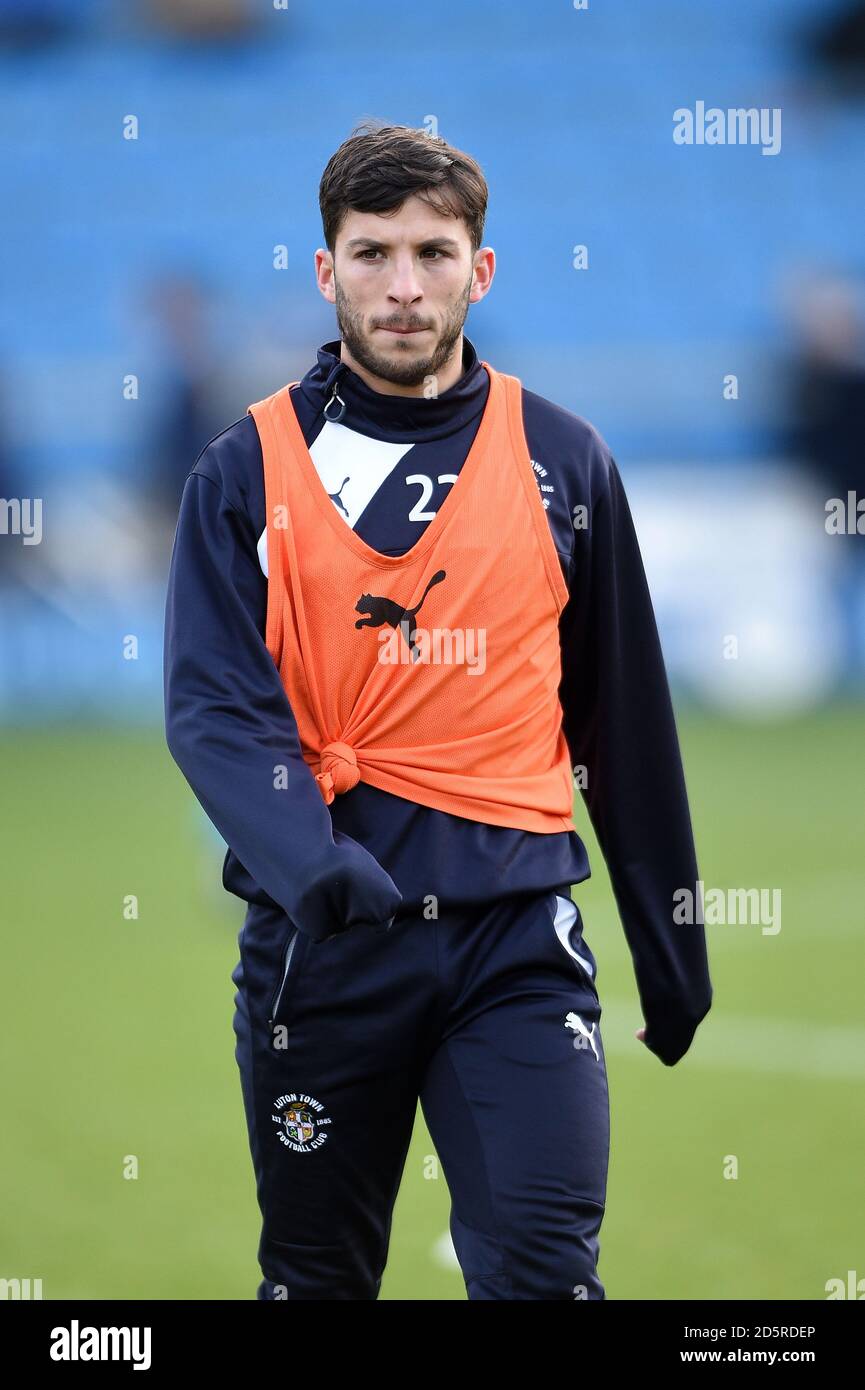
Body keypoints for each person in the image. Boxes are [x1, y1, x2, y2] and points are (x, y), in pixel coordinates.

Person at [163, 121, 712, 1301]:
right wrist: (309, 860)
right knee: (315, 1283)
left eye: (433, 251)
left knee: (545, 1278)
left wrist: (671, 942)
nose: (403, 286)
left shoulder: (566, 460)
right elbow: (213, 707)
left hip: (515, 944)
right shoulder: (242, 470)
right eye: (371, 254)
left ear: (482, 268)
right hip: (325, 950)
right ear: (325, 272)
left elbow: (624, 718)